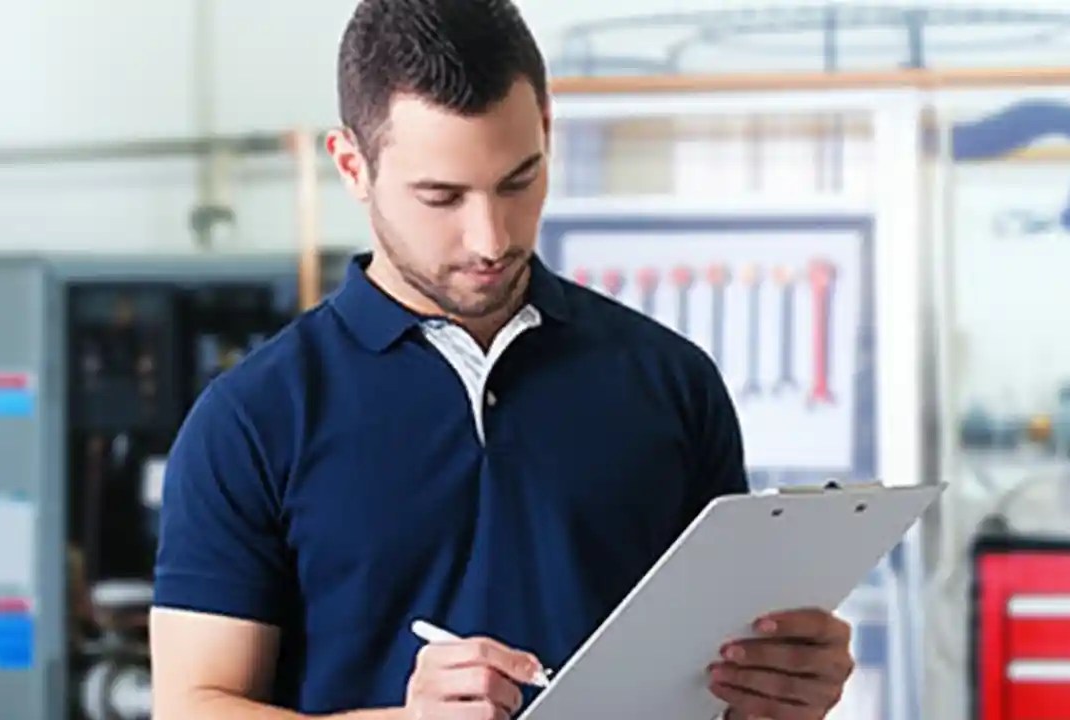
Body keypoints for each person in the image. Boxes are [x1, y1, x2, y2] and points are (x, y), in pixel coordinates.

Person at [149, 0, 855, 718]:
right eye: (442, 196)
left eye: (518, 181)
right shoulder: (252, 419)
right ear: (352, 166)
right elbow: (192, 706)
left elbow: (711, 686)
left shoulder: (672, 383)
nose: (490, 238)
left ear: (546, 129)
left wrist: (781, 691)